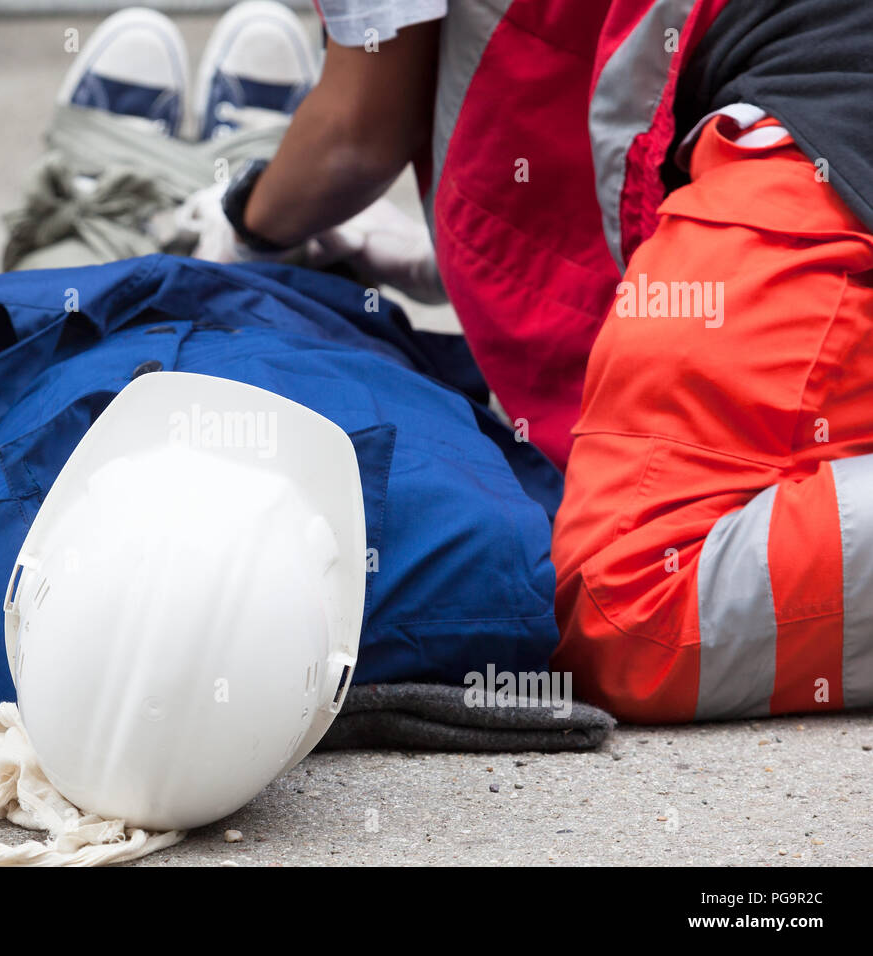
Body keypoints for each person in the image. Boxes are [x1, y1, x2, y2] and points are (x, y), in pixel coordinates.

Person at [206, 0, 873, 722]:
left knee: (635, 601)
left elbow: (357, 132)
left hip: (815, 116)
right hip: (815, 109)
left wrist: (246, 220)